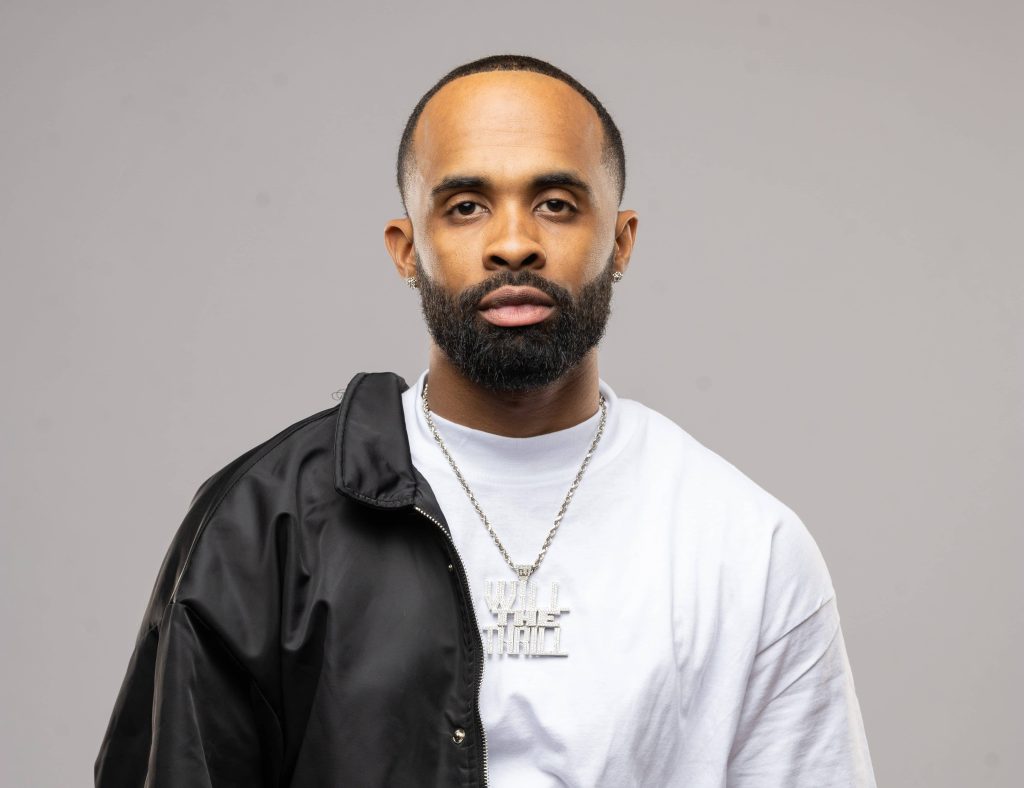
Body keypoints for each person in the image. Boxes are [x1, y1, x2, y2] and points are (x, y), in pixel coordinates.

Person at [95, 54, 876, 787]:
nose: (513, 244)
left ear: (621, 241)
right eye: (466, 207)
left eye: (556, 205)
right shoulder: (264, 524)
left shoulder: (746, 544)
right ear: (407, 249)